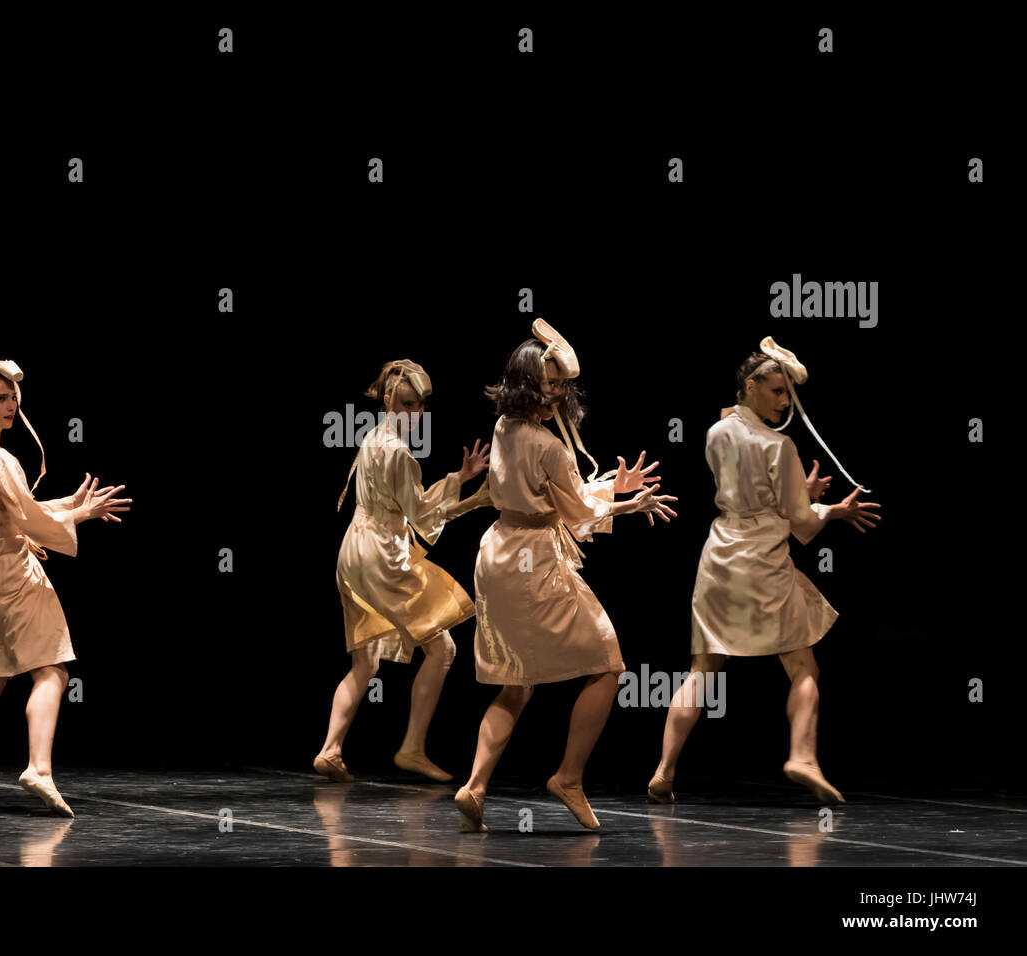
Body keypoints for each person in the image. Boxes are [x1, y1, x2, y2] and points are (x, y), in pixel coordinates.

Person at [453, 320, 677, 831]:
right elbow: (573, 514)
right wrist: (625, 503)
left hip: (498, 554)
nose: (555, 393)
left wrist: (608, 487)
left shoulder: (505, 428)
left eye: (559, 384)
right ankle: (569, 777)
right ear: (526, 383)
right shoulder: (547, 443)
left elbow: (553, 497)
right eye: (547, 384)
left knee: (516, 684)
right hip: (533, 561)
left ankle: (475, 786)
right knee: (607, 662)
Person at [648, 337, 881, 806]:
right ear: (749, 386)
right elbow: (800, 521)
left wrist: (798, 491)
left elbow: (752, 481)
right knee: (803, 666)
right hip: (762, 561)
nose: (784, 402)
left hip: (719, 557)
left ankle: (664, 771)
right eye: (776, 392)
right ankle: (802, 756)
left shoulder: (716, 432)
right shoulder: (780, 446)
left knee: (702, 669)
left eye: (787, 394)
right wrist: (830, 509)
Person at [0, 358, 129, 817]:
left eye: (13, 399)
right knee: (52, 670)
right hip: (11, 574)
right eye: (0, 399)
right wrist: (78, 515)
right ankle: (39, 767)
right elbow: (24, 519)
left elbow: (13, 512)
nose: (10, 406)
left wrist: (69, 503)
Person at [314, 359, 489, 783]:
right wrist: (475, 500)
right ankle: (411, 747)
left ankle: (330, 750)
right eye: (409, 404)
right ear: (389, 401)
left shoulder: (374, 438)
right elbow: (422, 516)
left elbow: (407, 503)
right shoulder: (398, 452)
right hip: (381, 558)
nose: (416, 414)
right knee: (444, 649)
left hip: (352, 551)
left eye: (421, 405)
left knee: (365, 663)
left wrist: (458, 477)